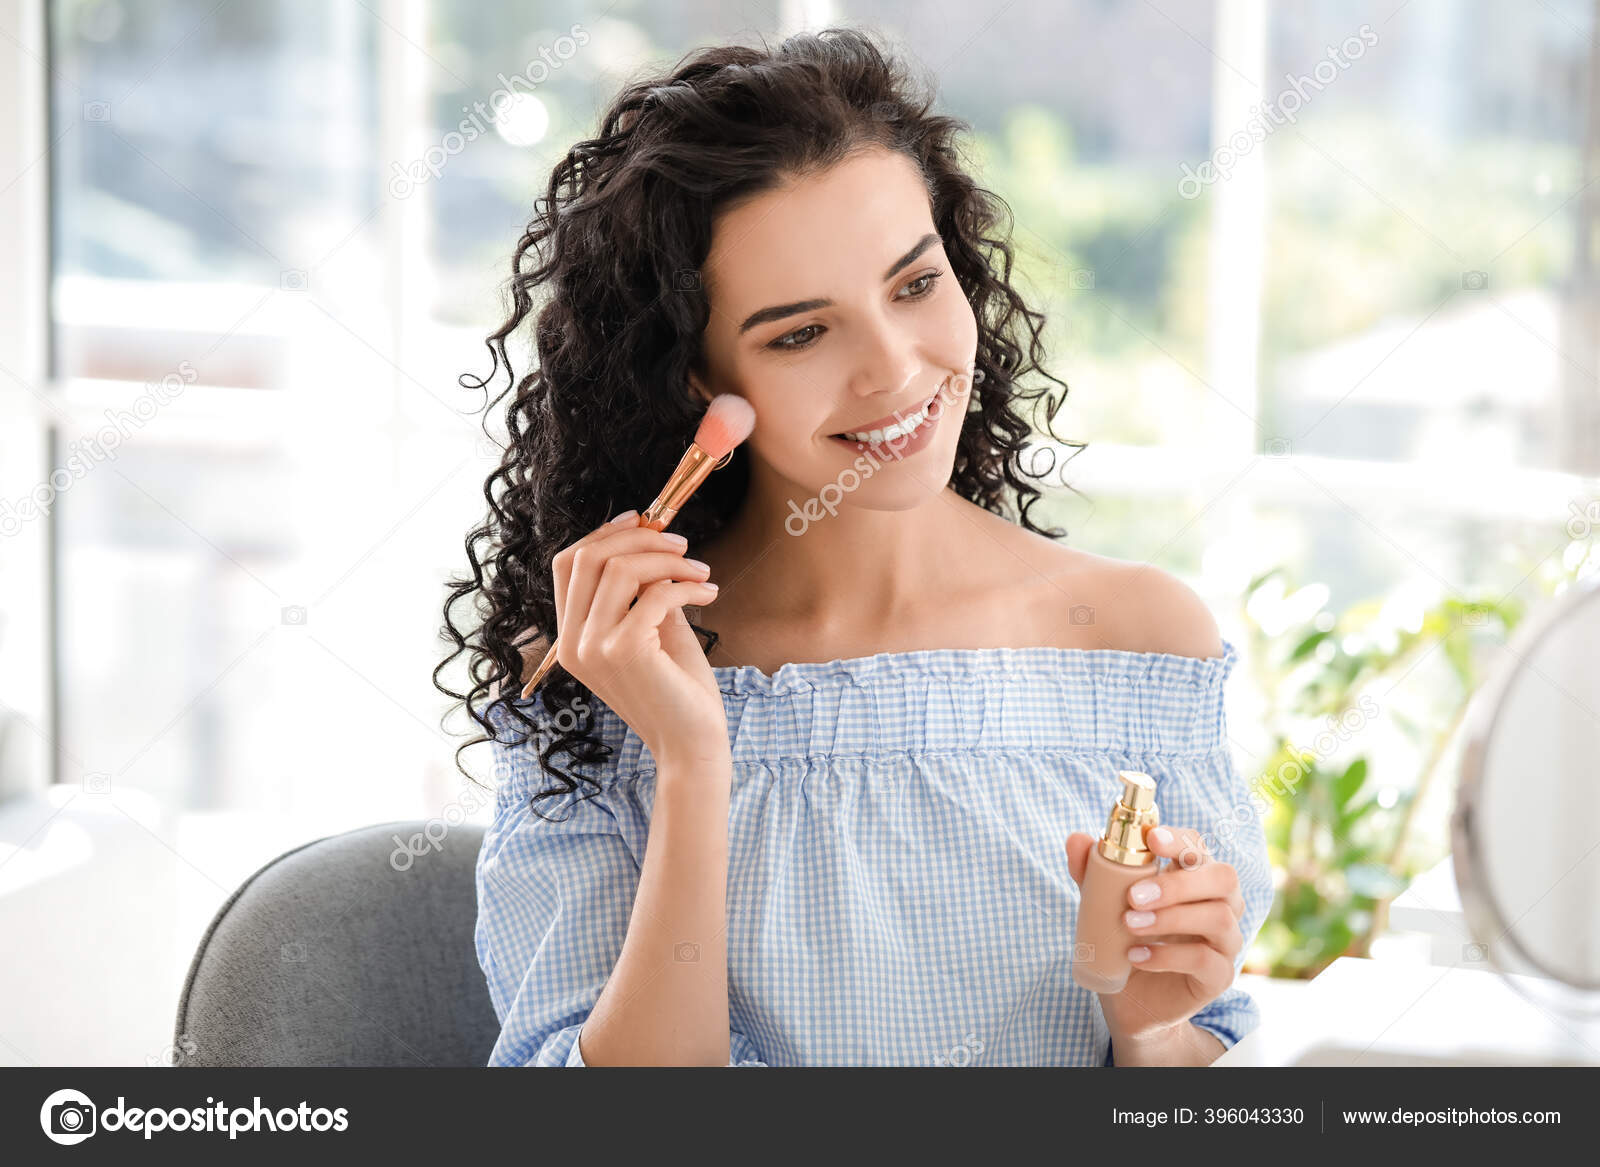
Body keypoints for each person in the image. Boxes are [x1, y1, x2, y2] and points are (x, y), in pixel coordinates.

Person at [438, 26, 1273, 1067]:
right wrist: (692, 761)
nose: (893, 371)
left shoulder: (1138, 644)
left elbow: (1203, 1070)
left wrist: (1150, 1031)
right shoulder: (596, 678)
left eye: (915, 285)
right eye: (800, 333)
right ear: (696, 380)